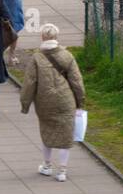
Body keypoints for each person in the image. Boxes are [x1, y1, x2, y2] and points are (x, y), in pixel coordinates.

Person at [20, 23, 86, 182]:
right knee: (65, 134)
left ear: (42, 37)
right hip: (65, 100)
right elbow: (77, 82)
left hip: (45, 101)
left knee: (47, 132)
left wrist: (25, 104)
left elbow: (30, 83)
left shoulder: (36, 57)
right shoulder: (67, 56)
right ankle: (62, 171)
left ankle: (47, 166)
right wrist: (80, 101)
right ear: (56, 37)